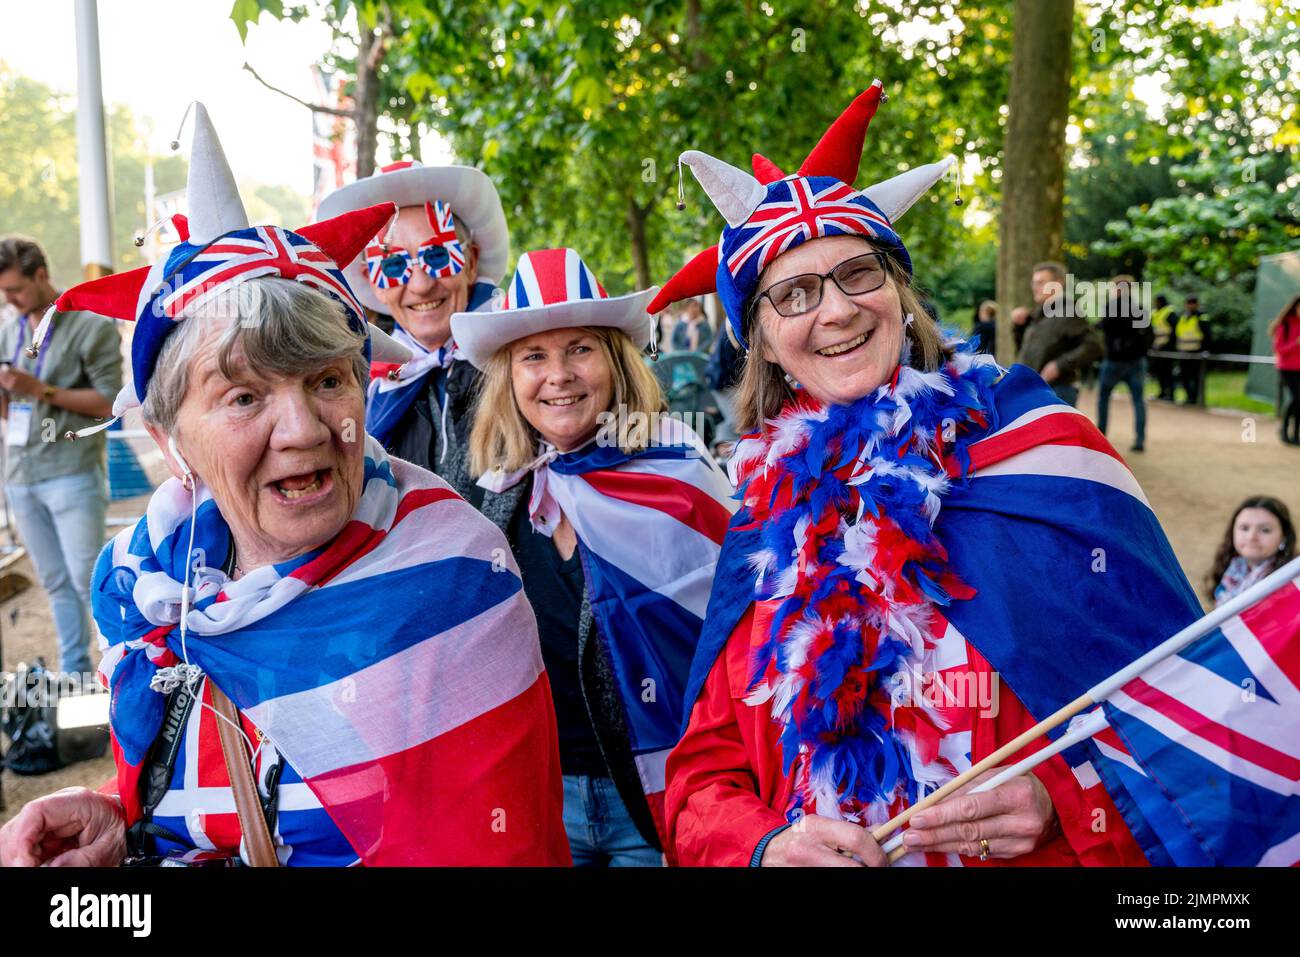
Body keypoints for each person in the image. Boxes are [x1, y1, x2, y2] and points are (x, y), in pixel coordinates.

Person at [0, 105, 569, 868]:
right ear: (172, 444)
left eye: (328, 378)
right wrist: (122, 817)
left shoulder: (456, 582)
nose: (304, 428)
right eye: (243, 395)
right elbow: (251, 781)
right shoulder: (151, 586)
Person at [654, 83, 1203, 867]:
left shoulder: (1049, 455)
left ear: (901, 295)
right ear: (765, 342)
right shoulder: (762, 520)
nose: (837, 311)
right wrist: (764, 846)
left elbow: (1193, 710)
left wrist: (1068, 794)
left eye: (859, 274)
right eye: (796, 293)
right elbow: (700, 778)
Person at [451, 248, 736, 865]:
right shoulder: (494, 490)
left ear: (615, 361)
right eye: (534, 356)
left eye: (579, 348)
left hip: (659, 793)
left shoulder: (679, 472)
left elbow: (737, 632)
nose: (558, 374)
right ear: (510, 376)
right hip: (539, 795)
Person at [316, 160, 511, 506]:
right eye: (393, 265)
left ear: (470, 263)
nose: (420, 285)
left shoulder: (521, 364)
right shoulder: (359, 388)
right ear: (373, 282)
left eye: (437, 256)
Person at [0, 235, 122, 678]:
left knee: (89, 581)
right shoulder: (9, 328)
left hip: (72, 472)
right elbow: (10, 409)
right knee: (54, 582)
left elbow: (111, 402)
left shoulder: (91, 325)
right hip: (20, 474)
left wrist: (41, 390)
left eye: (15, 289)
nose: (9, 299)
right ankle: (76, 675)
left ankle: (120, 673)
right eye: (3, 292)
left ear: (41, 275)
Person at [1016, 260, 1102, 407]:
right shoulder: (1039, 314)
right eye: (1034, 283)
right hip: (1035, 388)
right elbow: (1029, 351)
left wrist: (1059, 365)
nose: (1036, 287)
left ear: (1058, 284)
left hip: (1058, 390)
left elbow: (1094, 346)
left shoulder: (1068, 312)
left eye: (1041, 282)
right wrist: (1018, 328)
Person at [1096, 275, 1153, 452]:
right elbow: (1150, 335)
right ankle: (1140, 439)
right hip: (1135, 361)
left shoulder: (1110, 308)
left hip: (1113, 360)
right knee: (1138, 400)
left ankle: (1101, 437)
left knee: (1104, 398)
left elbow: (1101, 327)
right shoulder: (1140, 309)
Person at [1206, 497, 1296, 606]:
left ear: (1284, 537)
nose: (1251, 537)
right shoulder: (1230, 569)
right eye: (1244, 528)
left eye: (1265, 530)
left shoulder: (1294, 581)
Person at [1269, 295, 1300, 445]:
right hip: (1287, 367)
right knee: (1297, 397)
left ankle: (1295, 434)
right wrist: (1296, 343)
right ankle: (1284, 430)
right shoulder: (1285, 324)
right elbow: (1278, 349)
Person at [1175, 294, 1205, 405]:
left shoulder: (1201, 316)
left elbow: (1207, 334)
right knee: (1184, 376)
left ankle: (1194, 398)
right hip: (1183, 351)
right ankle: (1188, 397)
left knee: (1195, 377)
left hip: (1196, 351)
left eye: (1193, 303)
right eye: (1189, 303)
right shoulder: (1183, 317)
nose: (1190, 305)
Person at [1149, 294, 1177, 401]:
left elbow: (1175, 330)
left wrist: (1169, 344)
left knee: (1168, 371)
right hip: (1157, 347)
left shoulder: (1169, 313)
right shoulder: (1155, 313)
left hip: (1167, 347)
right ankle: (1162, 392)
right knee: (1159, 371)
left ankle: (1171, 394)